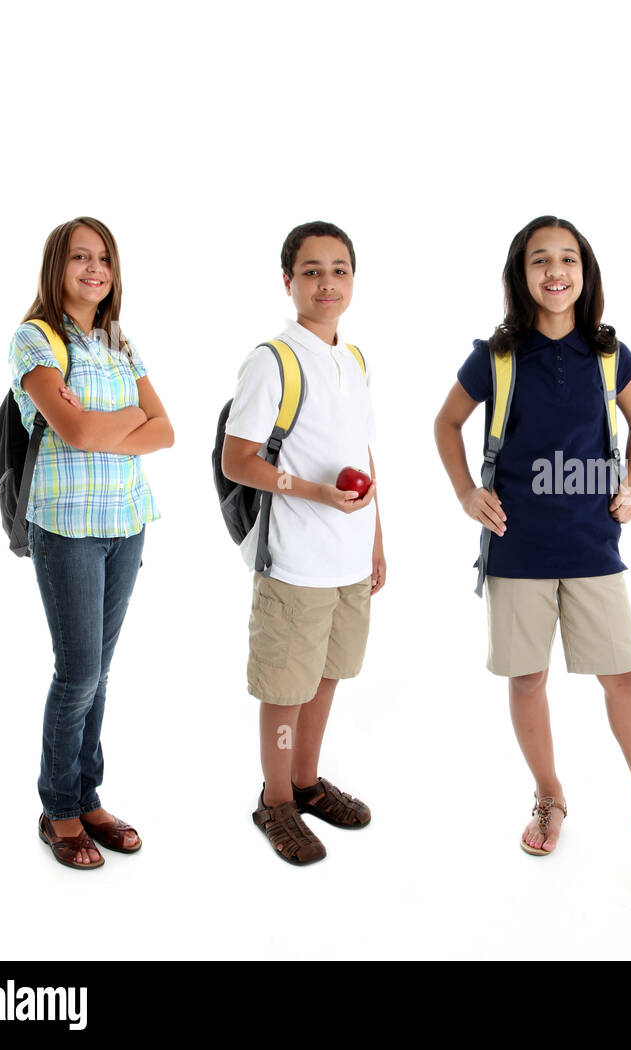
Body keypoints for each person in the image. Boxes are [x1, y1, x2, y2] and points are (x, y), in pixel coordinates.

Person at [434, 215, 631, 856]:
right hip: (517, 548)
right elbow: (446, 423)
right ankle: (549, 797)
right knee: (528, 679)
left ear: (586, 272)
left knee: (625, 677)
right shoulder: (495, 357)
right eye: (540, 260)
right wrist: (466, 493)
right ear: (521, 274)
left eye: (568, 258)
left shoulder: (608, 354)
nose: (555, 271)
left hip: (594, 546)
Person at [12, 217, 174, 870]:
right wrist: (122, 420)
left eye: (102, 257)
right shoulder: (35, 339)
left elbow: (166, 430)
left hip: (125, 522)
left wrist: (108, 423)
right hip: (68, 527)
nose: (93, 268)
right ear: (58, 267)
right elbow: (73, 431)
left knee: (98, 671)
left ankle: (87, 795)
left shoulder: (117, 340)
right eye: (80, 257)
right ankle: (59, 811)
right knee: (77, 671)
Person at [221, 220, 384, 866]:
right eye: (312, 271)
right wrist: (313, 493)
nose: (327, 282)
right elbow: (239, 459)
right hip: (293, 559)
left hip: (348, 557)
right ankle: (277, 799)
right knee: (286, 686)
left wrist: (375, 539)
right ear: (288, 281)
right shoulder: (273, 360)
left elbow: (362, 452)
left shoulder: (354, 358)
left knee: (326, 676)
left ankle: (309, 784)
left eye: (339, 269)